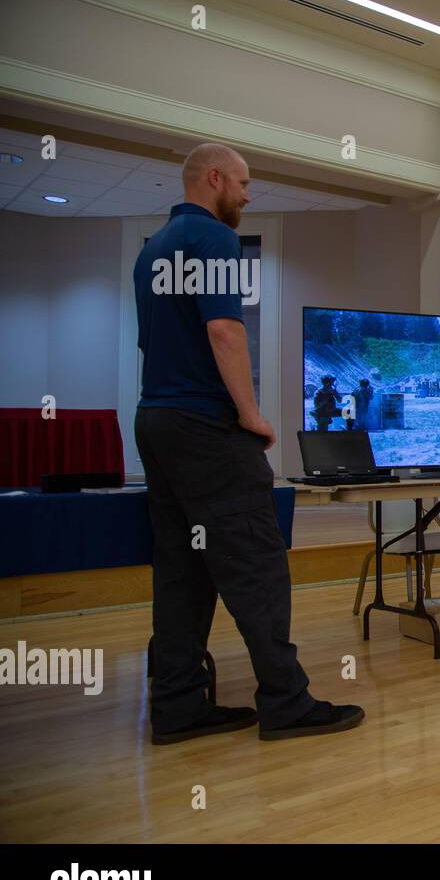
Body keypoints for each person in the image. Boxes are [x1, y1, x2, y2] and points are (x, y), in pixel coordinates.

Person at [134, 141, 364, 744]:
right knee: (257, 564)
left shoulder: (151, 251)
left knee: (182, 569)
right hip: (206, 428)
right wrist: (252, 414)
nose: (247, 194)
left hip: (155, 421)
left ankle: (177, 706)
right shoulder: (213, 238)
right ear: (213, 178)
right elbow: (224, 331)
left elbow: (150, 344)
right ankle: (286, 703)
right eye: (242, 183)